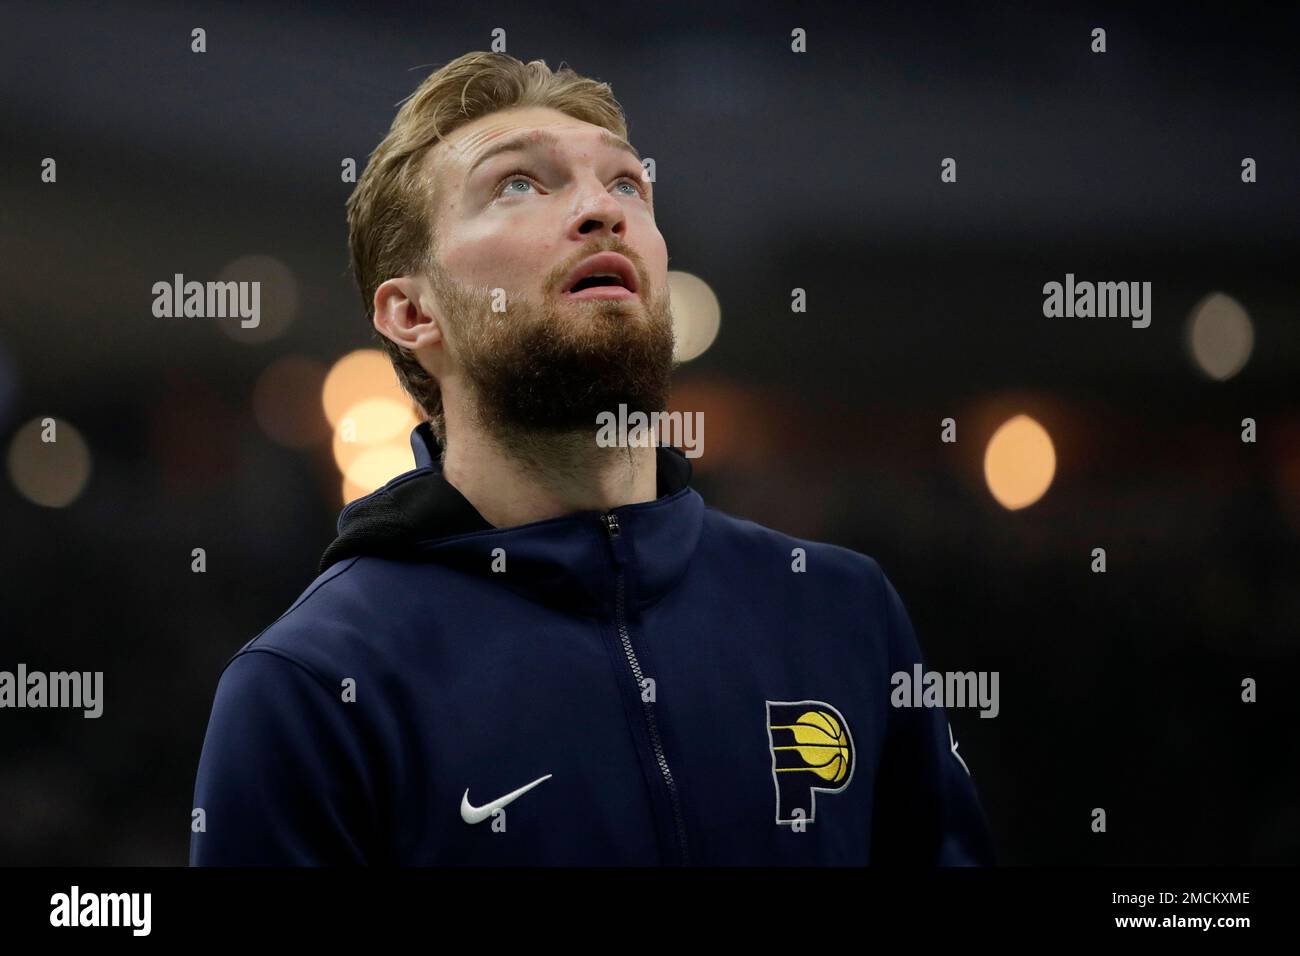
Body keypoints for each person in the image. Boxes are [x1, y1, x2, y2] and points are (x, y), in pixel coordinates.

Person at [189, 51, 995, 866]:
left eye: (626, 185)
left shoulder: (843, 611)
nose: (600, 212)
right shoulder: (314, 684)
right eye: (517, 184)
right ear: (411, 312)